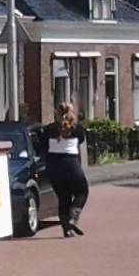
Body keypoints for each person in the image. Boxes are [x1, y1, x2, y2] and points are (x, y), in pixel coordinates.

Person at [43, 101, 89, 236]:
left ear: (56, 113)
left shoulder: (49, 129)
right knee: (82, 192)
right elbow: (81, 140)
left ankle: (66, 229)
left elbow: (42, 145)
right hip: (71, 165)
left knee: (63, 198)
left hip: (54, 168)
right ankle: (73, 218)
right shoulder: (77, 128)